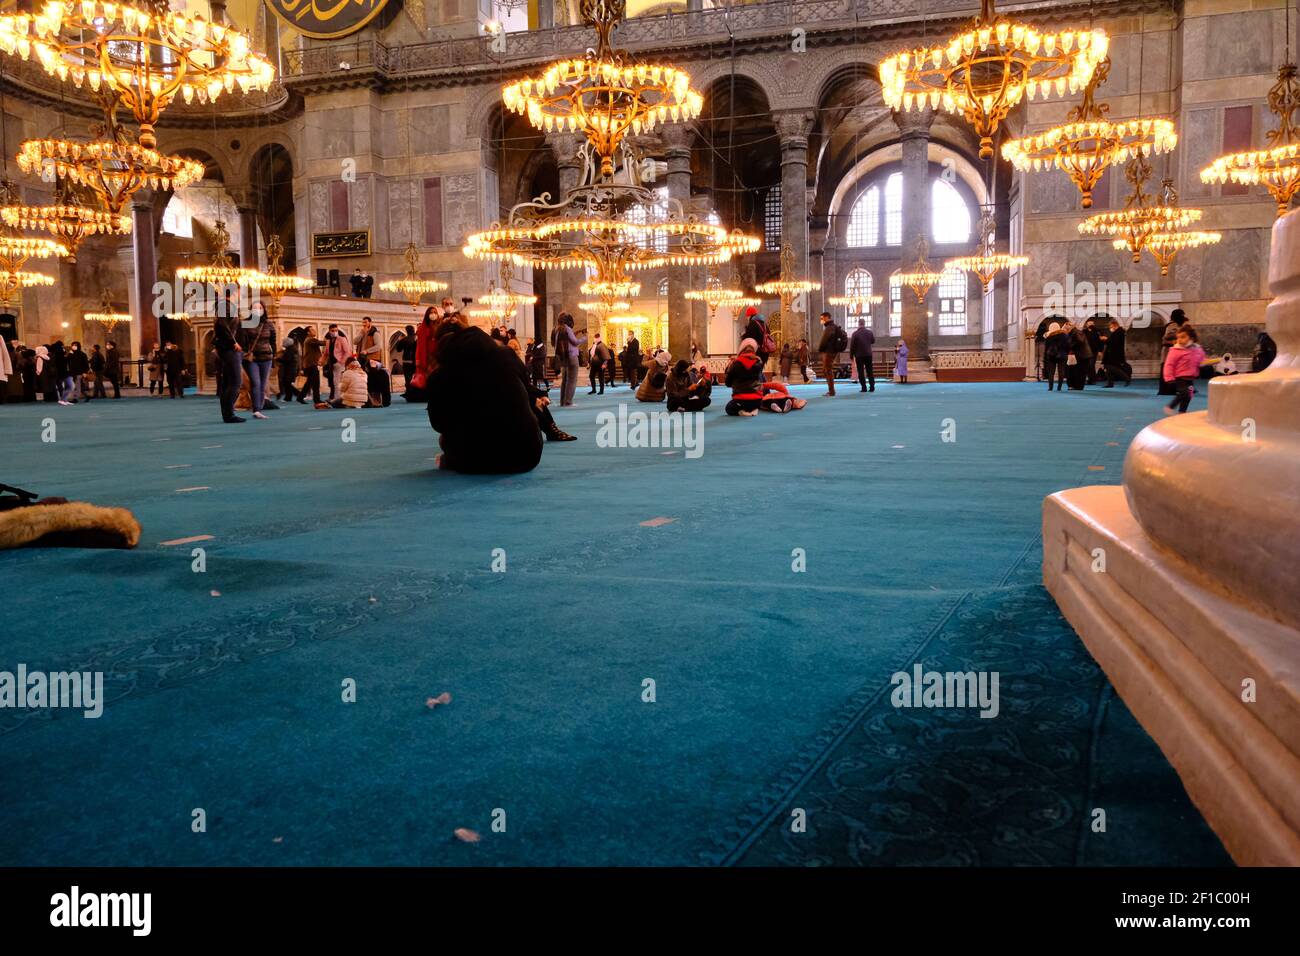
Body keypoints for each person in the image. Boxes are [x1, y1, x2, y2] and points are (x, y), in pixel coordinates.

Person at [426, 322, 573, 474]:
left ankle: (456, 460)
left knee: (444, 440)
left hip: (482, 459)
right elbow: (527, 395)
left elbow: (439, 424)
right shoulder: (507, 355)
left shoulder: (440, 374)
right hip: (528, 454)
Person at [241, 303, 276, 417]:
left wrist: (273, 357)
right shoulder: (245, 323)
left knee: (262, 384)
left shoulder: (268, 324)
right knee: (256, 383)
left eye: (260, 308)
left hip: (266, 357)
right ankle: (256, 409)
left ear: (263, 310)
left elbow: (273, 342)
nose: (257, 310)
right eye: (255, 308)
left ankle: (259, 408)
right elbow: (242, 341)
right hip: (252, 358)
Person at [1163, 324, 1206, 415]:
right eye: (1178, 337)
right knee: (1185, 393)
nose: (1179, 340)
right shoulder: (1175, 350)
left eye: (1183, 337)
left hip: (1191, 378)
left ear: (1191, 337)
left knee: (1188, 395)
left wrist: (1208, 363)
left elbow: (1202, 359)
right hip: (1180, 378)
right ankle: (1170, 407)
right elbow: (1169, 364)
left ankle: (1182, 412)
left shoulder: (1197, 349)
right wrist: (1169, 378)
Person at [724, 339, 764, 416]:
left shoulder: (735, 364)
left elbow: (727, 383)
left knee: (729, 408)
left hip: (740, 400)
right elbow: (761, 381)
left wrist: (729, 367)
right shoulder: (759, 363)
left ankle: (741, 412)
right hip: (757, 400)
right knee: (756, 403)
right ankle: (754, 409)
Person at [554, 312, 581, 406]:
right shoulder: (567, 329)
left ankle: (563, 402)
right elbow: (575, 342)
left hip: (563, 358)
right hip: (572, 357)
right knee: (572, 381)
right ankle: (568, 401)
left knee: (565, 381)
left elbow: (555, 344)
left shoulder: (557, 330)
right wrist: (584, 338)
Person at [816, 311, 846, 396]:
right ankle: (831, 390)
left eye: (822, 318)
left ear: (826, 317)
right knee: (826, 370)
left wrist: (820, 349)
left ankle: (832, 391)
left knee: (828, 370)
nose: (821, 320)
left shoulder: (830, 327)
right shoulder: (832, 327)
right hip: (831, 351)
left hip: (829, 351)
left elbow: (824, 340)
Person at [1159, 309, 1186, 395]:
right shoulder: (1172, 325)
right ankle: (1167, 390)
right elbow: (1166, 338)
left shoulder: (1177, 325)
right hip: (1169, 352)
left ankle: (1173, 389)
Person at [1099, 318, 1131, 387]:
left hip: (1114, 354)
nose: (1110, 328)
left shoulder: (1119, 332)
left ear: (1114, 325)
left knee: (1113, 368)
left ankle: (1126, 378)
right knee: (1108, 368)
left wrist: (1105, 339)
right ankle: (1110, 383)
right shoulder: (1117, 332)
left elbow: (1112, 342)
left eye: (1111, 326)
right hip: (1112, 354)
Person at [324, 323, 350, 401]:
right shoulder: (328, 341)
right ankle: (338, 398)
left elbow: (347, 352)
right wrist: (321, 360)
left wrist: (341, 361)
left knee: (337, 382)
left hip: (339, 363)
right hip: (331, 364)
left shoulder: (342, 339)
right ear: (329, 331)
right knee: (333, 382)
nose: (335, 332)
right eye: (333, 330)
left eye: (336, 330)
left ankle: (337, 398)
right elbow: (326, 353)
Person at [299, 326, 325, 404]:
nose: (314, 331)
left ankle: (315, 399)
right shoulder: (310, 340)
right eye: (312, 330)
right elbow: (321, 343)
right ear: (308, 332)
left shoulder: (308, 340)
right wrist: (330, 341)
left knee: (313, 382)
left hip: (311, 364)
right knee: (312, 382)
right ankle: (302, 397)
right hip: (311, 364)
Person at [849, 320, 876, 392]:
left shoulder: (855, 333)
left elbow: (852, 346)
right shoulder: (869, 332)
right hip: (868, 354)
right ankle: (872, 387)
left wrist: (851, 355)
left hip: (859, 355)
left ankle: (864, 388)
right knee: (870, 371)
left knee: (860, 371)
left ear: (858, 324)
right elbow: (873, 341)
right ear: (864, 323)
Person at [1042, 322, 1069, 391]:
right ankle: (1059, 387)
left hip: (1051, 356)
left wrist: (1046, 357)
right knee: (1061, 371)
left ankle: (1050, 387)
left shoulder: (1049, 336)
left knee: (1051, 372)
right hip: (1062, 355)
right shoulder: (1064, 335)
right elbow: (1067, 346)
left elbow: (1046, 348)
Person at [1065, 320, 1091, 390]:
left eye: (1067, 327)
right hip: (1083, 354)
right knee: (1079, 371)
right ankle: (1078, 386)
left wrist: (1071, 345)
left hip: (1083, 355)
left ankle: (1079, 386)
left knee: (1081, 372)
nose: (1066, 328)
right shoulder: (1074, 332)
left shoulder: (1075, 332)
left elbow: (1080, 341)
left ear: (1071, 326)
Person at [277, 335, 301, 401]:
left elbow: (287, 359)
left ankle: (294, 395)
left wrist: (278, 359)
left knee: (287, 383)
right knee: (287, 383)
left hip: (290, 368)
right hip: (291, 368)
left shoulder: (291, 349)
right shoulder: (292, 348)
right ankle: (292, 396)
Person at [1083, 317, 1105, 384]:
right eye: (1089, 323)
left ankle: (1092, 380)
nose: (1090, 325)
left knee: (1091, 365)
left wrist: (1100, 350)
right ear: (1086, 325)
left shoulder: (1097, 332)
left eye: (1091, 323)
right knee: (1088, 365)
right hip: (1086, 351)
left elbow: (1100, 342)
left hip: (1094, 351)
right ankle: (1091, 379)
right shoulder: (1084, 332)